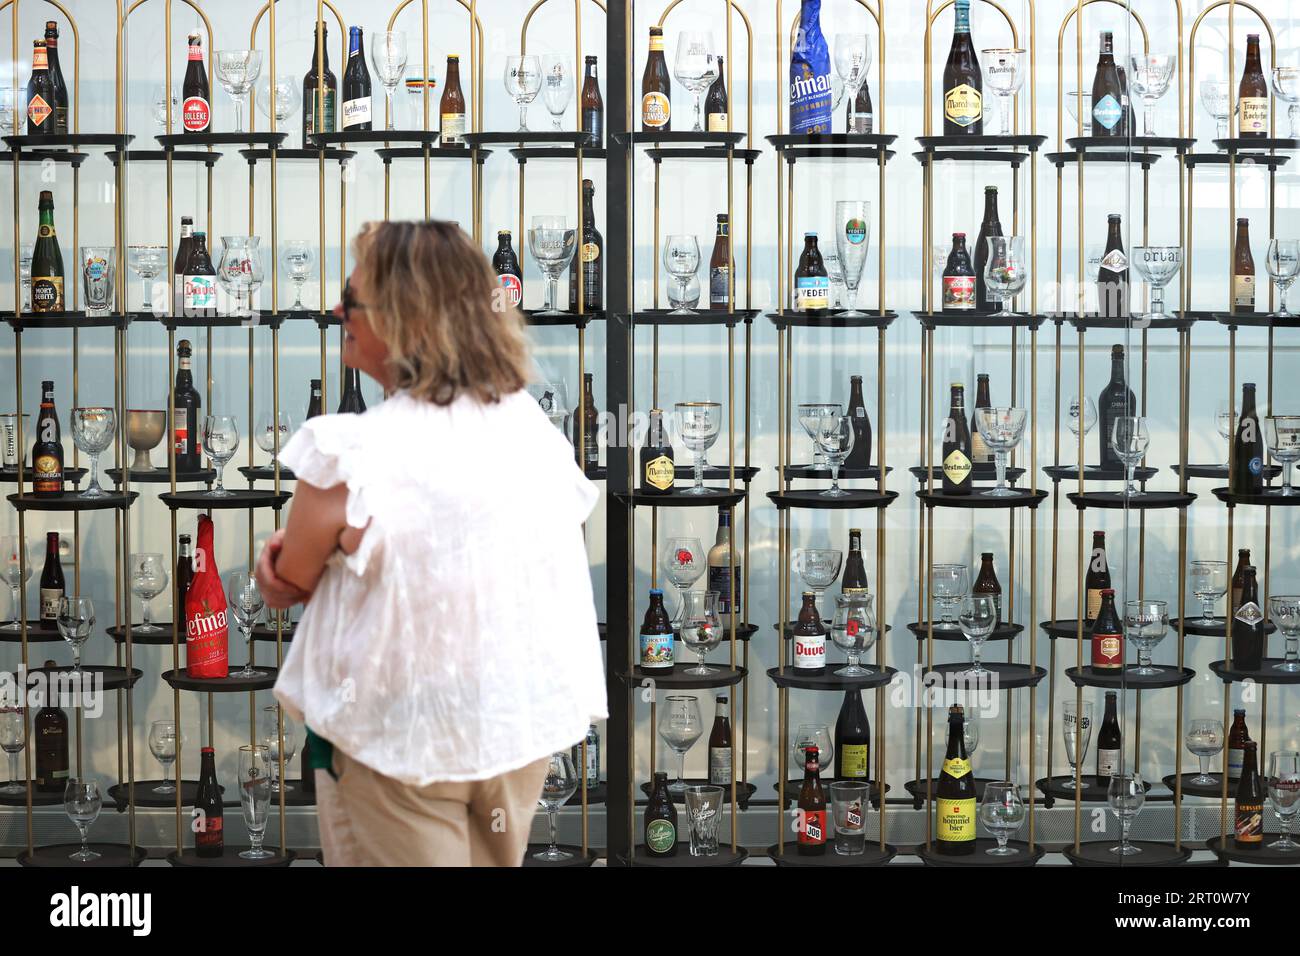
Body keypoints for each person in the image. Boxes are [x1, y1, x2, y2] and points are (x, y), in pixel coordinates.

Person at [256, 220, 606, 866]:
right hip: (511, 733)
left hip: (397, 742)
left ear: (403, 317)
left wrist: (282, 558)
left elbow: (289, 578)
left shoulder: (349, 454)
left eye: (352, 300)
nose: (339, 312)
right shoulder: (533, 430)